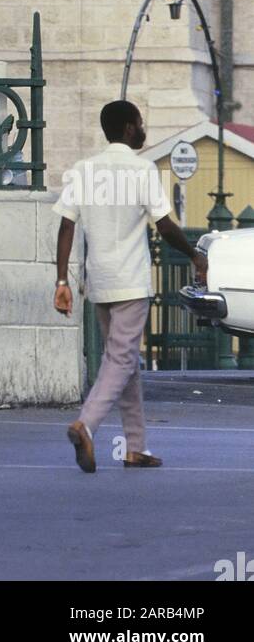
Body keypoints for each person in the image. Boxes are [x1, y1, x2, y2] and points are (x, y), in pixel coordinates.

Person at [53, 99, 206, 473]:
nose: (143, 129)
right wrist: (195, 255)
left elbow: (66, 226)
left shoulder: (83, 170)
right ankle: (84, 425)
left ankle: (136, 446)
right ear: (127, 129)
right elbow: (165, 226)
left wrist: (61, 279)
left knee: (126, 364)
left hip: (99, 282)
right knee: (120, 360)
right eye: (140, 124)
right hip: (131, 282)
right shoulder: (142, 169)